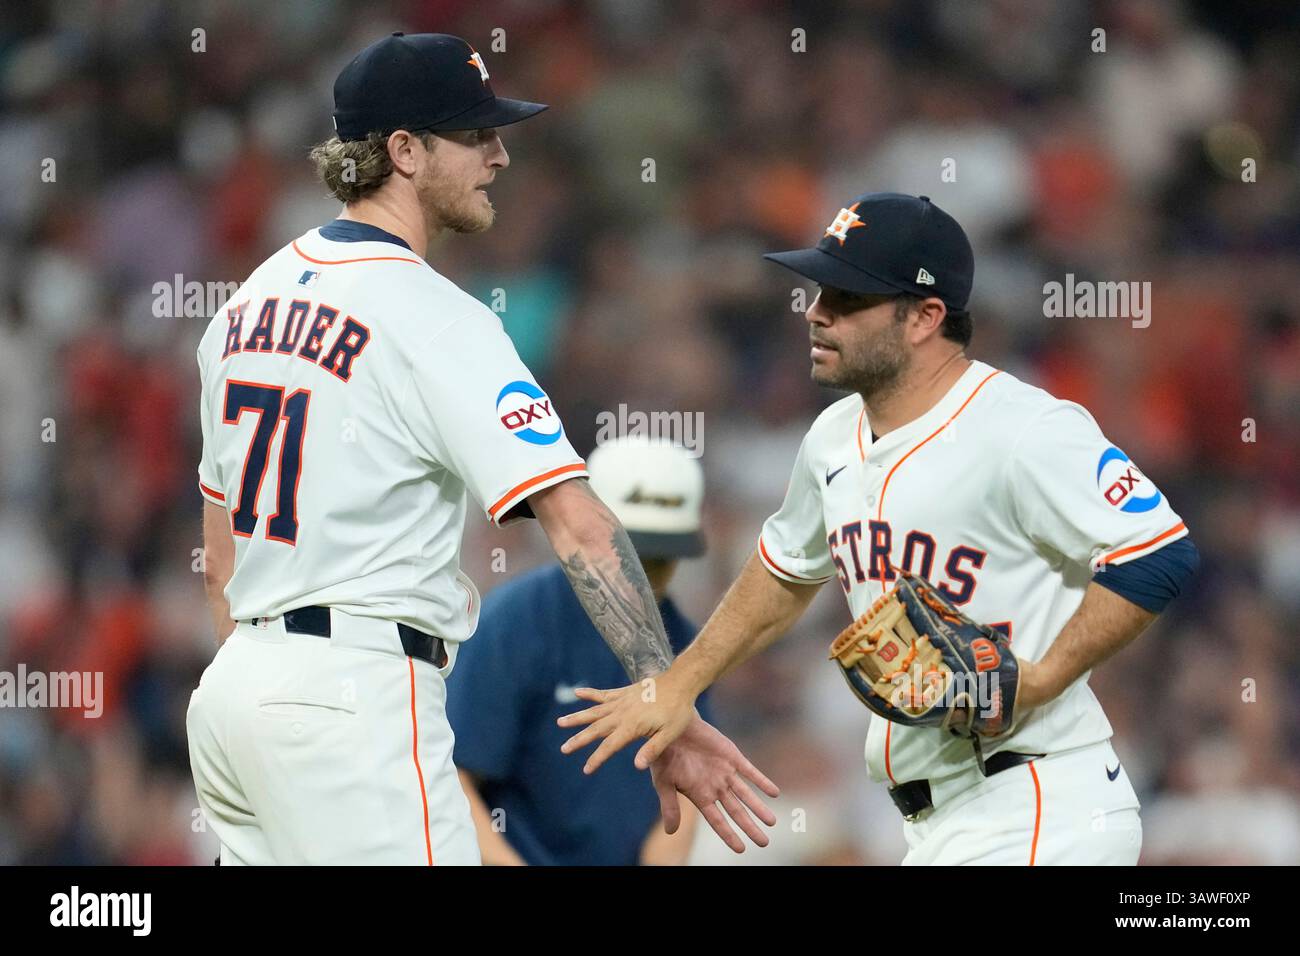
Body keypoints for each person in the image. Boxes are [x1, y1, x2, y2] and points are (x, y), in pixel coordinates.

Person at [186, 32, 775, 865]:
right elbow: (578, 523)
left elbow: (219, 561)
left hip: (237, 694)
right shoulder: (435, 314)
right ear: (403, 152)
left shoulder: (242, 308)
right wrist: (662, 697)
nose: (499, 156)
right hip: (357, 700)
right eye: (475, 136)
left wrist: (267, 691)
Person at [558, 192, 1200, 865]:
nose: (817, 312)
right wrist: (680, 683)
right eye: (819, 290)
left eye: (848, 297)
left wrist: (1042, 679)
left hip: (1038, 802)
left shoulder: (1023, 429)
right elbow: (783, 573)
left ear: (925, 317)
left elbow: (1156, 551)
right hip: (935, 821)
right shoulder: (834, 436)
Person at [449, 437, 711, 865]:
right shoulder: (515, 624)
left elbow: (689, 781)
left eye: (659, 558)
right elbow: (454, 777)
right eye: (629, 556)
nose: (641, 576)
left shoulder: (686, 644)